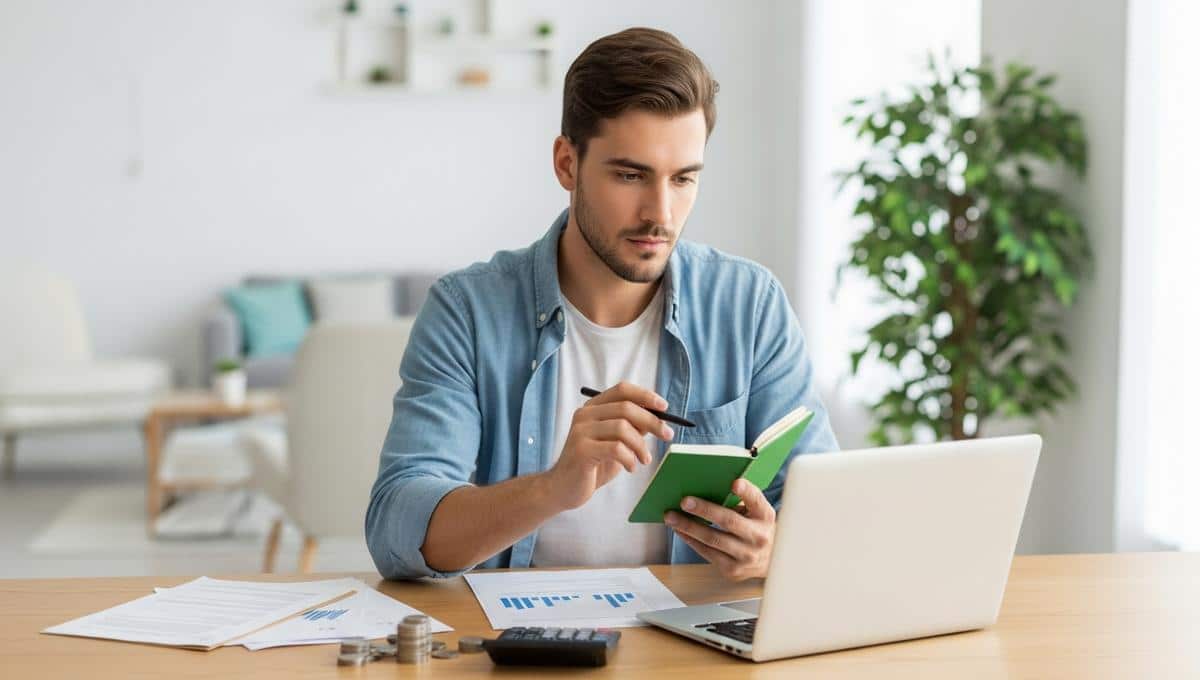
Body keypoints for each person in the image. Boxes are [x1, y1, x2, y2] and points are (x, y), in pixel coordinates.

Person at [366, 27, 838, 582]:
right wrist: (553, 488)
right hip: (519, 648)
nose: (660, 213)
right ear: (567, 164)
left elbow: (827, 511)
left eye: (683, 178)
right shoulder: (468, 311)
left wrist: (771, 549)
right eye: (630, 175)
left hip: (689, 648)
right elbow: (398, 529)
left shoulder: (750, 305)